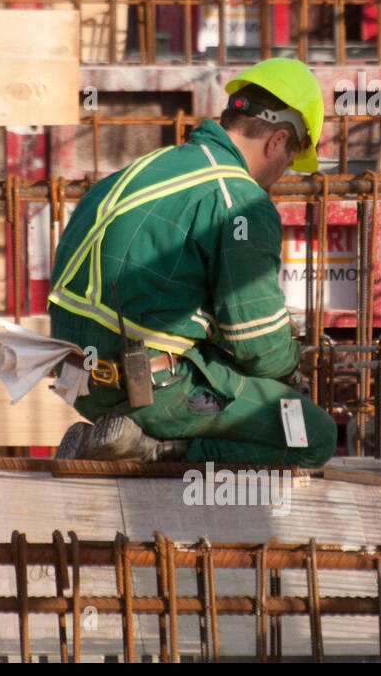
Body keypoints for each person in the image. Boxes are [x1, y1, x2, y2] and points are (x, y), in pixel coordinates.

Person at [51, 57, 337, 467]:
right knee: (310, 434)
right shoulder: (240, 199)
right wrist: (293, 368)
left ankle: (124, 438)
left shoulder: (141, 171)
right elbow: (261, 349)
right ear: (276, 141)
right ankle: (155, 450)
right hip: (152, 390)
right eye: (289, 160)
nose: (282, 172)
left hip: (82, 380)